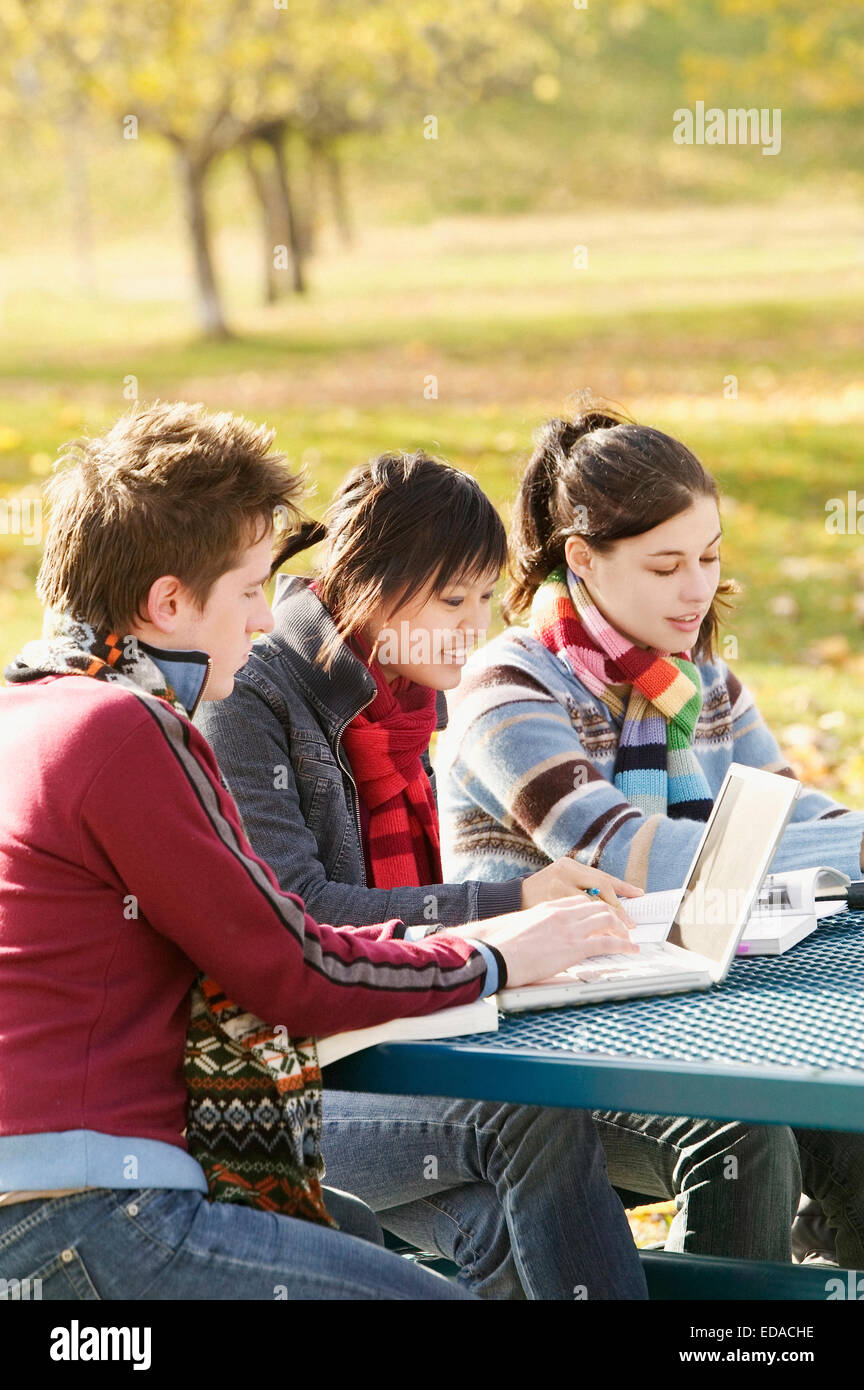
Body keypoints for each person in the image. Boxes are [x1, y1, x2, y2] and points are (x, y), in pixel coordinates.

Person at [0, 402, 645, 1302]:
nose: (266, 621)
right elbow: (288, 962)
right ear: (169, 603)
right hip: (90, 1216)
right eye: (253, 588)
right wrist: (493, 951)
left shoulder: (34, 707)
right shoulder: (123, 729)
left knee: (400, 1228)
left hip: (66, 1202)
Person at [198, 446, 806, 1282]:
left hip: (413, 1036)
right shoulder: (254, 700)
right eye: (453, 600)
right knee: (526, 1132)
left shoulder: (401, 702)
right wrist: (511, 905)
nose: (474, 627)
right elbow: (301, 911)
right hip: (294, 1079)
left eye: (484, 597)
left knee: (736, 1128)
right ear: (369, 587)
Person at [437, 403, 864, 1268]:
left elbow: (793, 815)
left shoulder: (702, 681)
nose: (697, 588)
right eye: (666, 565)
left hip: (688, 999)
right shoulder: (505, 684)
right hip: (534, 1043)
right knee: (748, 1134)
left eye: (708, 559)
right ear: (583, 560)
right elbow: (631, 855)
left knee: (847, 1104)